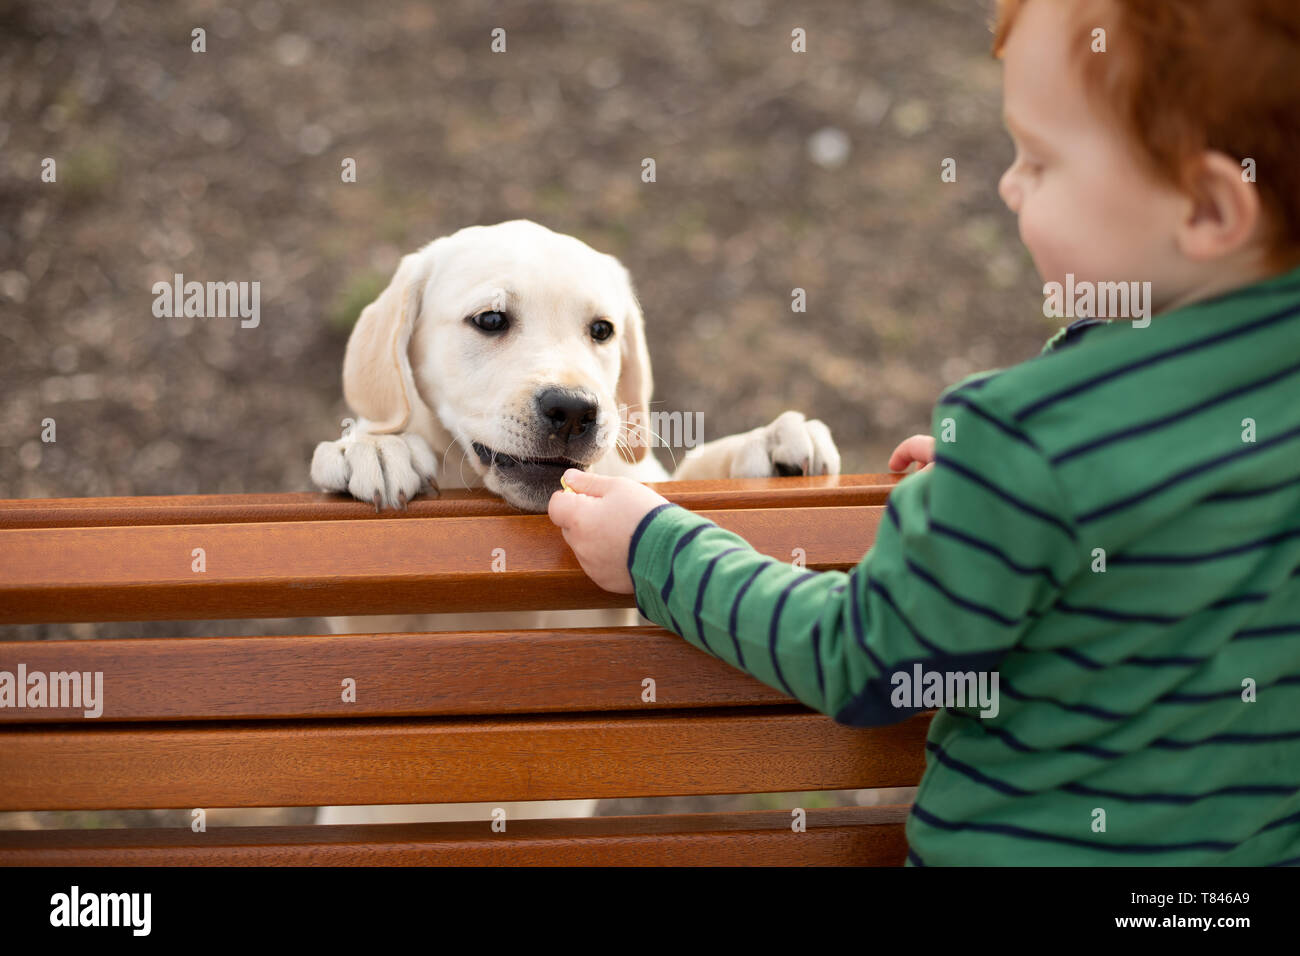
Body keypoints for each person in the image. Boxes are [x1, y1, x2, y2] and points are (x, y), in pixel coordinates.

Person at [547, 0, 1300, 864]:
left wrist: (653, 546)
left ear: (1207, 207)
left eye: (1042, 160)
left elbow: (869, 661)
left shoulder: (1030, 440)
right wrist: (996, 502)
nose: (1010, 184)